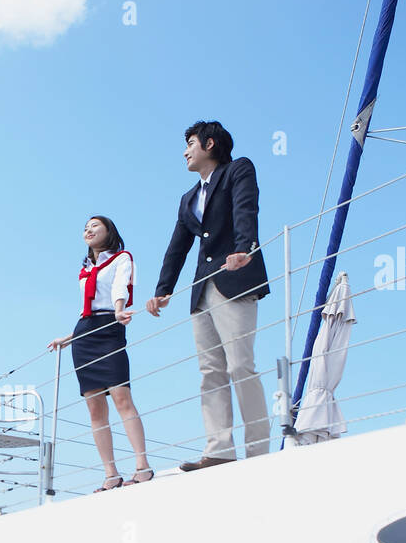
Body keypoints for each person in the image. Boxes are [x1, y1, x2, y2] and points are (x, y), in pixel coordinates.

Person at [146, 121, 271, 470]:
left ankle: (259, 449)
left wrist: (245, 248)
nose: (185, 151)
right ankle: (219, 449)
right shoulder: (187, 199)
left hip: (235, 277)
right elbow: (177, 248)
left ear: (209, 144)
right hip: (202, 289)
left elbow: (247, 209)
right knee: (210, 370)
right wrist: (162, 290)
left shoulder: (237, 170)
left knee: (240, 364)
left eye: (190, 143)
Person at [49, 216, 153, 490]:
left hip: (110, 326)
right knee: (95, 408)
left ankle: (142, 465)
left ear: (109, 231)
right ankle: (110, 474)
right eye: (85, 226)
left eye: (95, 225)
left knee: (122, 397)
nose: (88, 229)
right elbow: (88, 308)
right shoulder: (85, 269)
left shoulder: (122, 259)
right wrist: (68, 338)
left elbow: (119, 287)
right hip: (84, 333)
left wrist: (119, 309)